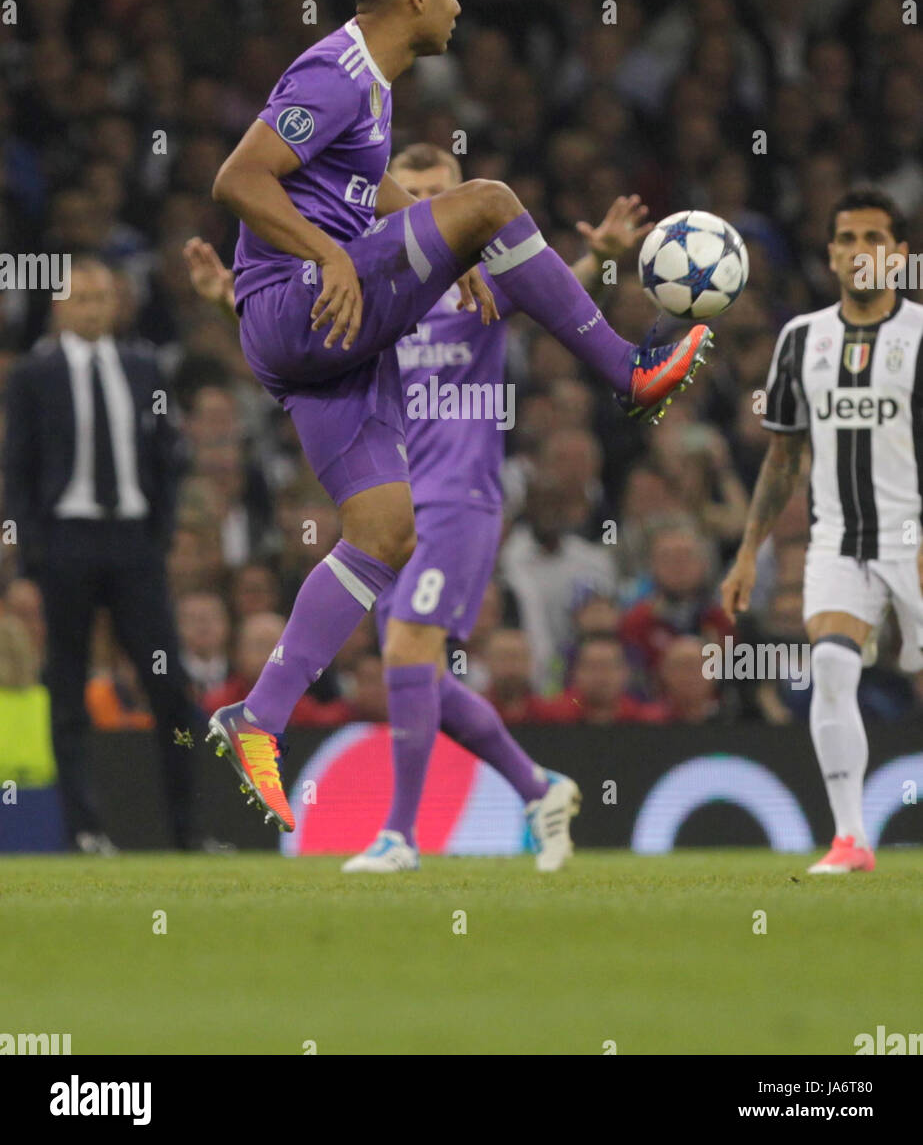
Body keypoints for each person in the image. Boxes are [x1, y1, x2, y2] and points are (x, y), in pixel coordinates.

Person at [204, 0, 713, 836]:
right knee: (493, 200)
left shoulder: (376, 87)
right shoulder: (333, 72)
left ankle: (258, 715)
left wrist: (454, 249)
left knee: (381, 530)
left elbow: (367, 195)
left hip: (323, 351)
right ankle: (628, 374)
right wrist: (335, 259)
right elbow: (238, 179)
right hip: (300, 305)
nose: (459, 5)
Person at [186, 144, 650, 870]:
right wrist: (229, 299)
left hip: (461, 501)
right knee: (420, 673)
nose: (429, 209)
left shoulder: (478, 286)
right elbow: (304, 341)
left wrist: (605, 261)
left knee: (406, 650)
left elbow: (543, 285)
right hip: (393, 509)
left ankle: (399, 835)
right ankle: (537, 786)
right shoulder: (376, 299)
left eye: (440, 194)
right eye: (412, 193)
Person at [722, 189, 923, 874]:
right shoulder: (800, 338)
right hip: (837, 537)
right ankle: (849, 839)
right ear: (831, 253)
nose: (860, 251)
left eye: (875, 238)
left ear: (898, 255)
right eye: (847, 239)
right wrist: (748, 551)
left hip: (914, 535)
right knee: (833, 666)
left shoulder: (921, 334)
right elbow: (782, 457)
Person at [2, 258, 199, 852]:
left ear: (116, 304)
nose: (92, 308)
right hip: (66, 541)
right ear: (60, 306)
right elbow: (18, 469)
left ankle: (187, 834)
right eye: (80, 298)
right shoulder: (34, 376)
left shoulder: (146, 369)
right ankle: (85, 830)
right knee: (67, 691)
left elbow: (167, 455)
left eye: (101, 298)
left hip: (133, 541)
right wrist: (26, 557)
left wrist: (160, 530)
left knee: (171, 688)